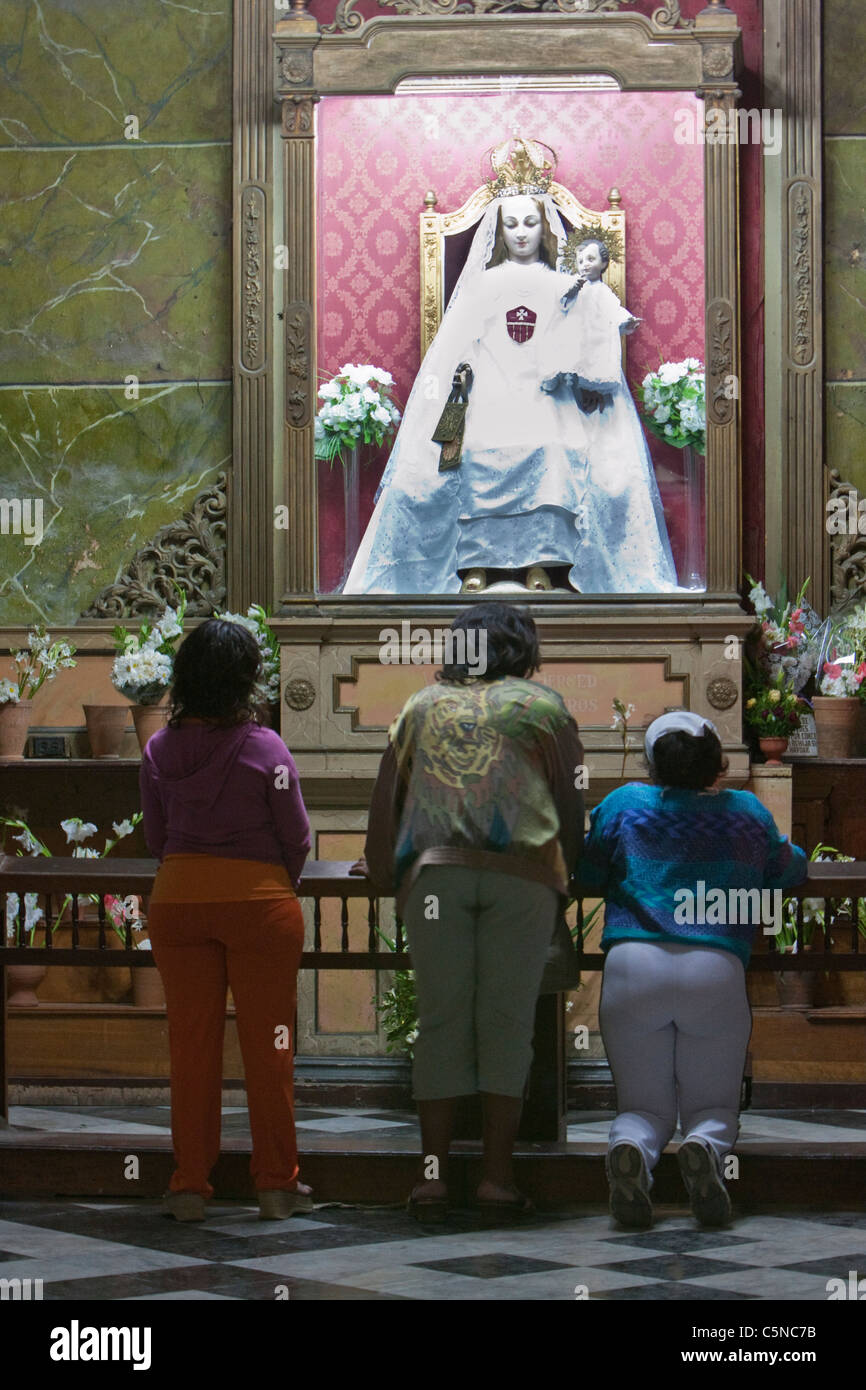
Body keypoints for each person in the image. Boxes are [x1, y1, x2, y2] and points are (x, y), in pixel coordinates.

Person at [342, 136, 679, 596]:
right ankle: (480, 562)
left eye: (529, 223)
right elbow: (456, 346)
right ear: (500, 231)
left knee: (553, 449)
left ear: (544, 228)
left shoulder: (567, 285)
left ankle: (544, 560)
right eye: (512, 224)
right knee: (480, 450)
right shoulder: (483, 285)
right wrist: (458, 387)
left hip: (550, 395)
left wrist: (582, 373)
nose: (521, 232)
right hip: (491, 392)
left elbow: (588, 338)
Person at [361, 602, 585, 1221]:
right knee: (507, 1024)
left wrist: (381, 867)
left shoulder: (419, 707)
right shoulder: (543, 708)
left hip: (437, 876)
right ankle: (495, 1179)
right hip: (522, 880)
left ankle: (431, 1180)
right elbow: (570, 797)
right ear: (523, 649)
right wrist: (571, 866)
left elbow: (389, 796)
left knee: (441, 1021)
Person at [578, 711, 808, 1229]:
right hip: (715, 966)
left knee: (643, 1105)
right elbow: (787, 867)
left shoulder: (624, 805)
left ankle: (632, 1146)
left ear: (653, 763)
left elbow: (588, 869)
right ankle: (704, 1145)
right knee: (713, 1103)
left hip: (633, 966)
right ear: (716, 763)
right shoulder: (746, 811)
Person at [140, 619, 313, 1222]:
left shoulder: (158, 749)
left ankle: (189, 1185)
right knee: (271, 1046)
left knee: (191, 1047)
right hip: (260, 905)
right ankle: (275, 1185)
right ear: (246, 679)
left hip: (179, 901)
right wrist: (271, 884)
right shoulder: (268, 749)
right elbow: (297, 836)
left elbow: (157, 838)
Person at [541, 236, 678, 592]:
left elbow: (614, 313)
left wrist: (626, 320)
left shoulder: (603, 295)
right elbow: (559, 318)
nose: (586, 264)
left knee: (611, 468)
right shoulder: (575, 292)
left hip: (603, 384)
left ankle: (613, 561)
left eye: (592, 259)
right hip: (572, 383)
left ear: (604, 264)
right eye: (581, 259)